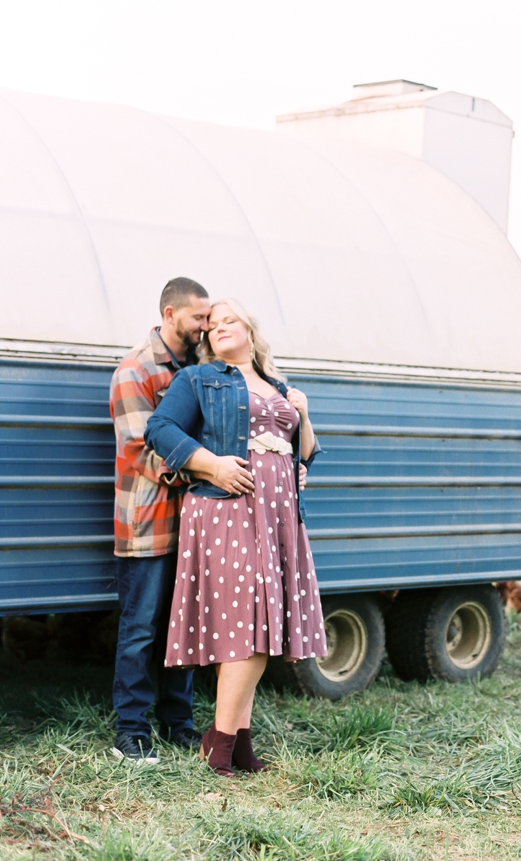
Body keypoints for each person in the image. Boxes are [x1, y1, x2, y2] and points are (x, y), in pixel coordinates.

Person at [144, 298, 326, 777]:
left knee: (262, 626)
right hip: (227, 509)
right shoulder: (199, 379)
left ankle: (239, 743)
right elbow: (158, 429)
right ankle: (220, 741)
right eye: (213, 324)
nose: (220, 327)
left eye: (230, 320)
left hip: (278, 515)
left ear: (249, 329)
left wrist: (302, 426)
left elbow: (307, 455)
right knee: (246, 622)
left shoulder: (280, 387)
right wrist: (214, 465)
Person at [109, 277, 211, 764]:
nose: (204, 326)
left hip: (193, 524)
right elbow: (138, 451)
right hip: (148, 522)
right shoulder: (136, 369)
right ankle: (130, 730)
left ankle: (179, 724)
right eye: (198, 318)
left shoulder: (199, 370)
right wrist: (203, 473)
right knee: (141, 630)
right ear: (171, 314)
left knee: (184, 627)